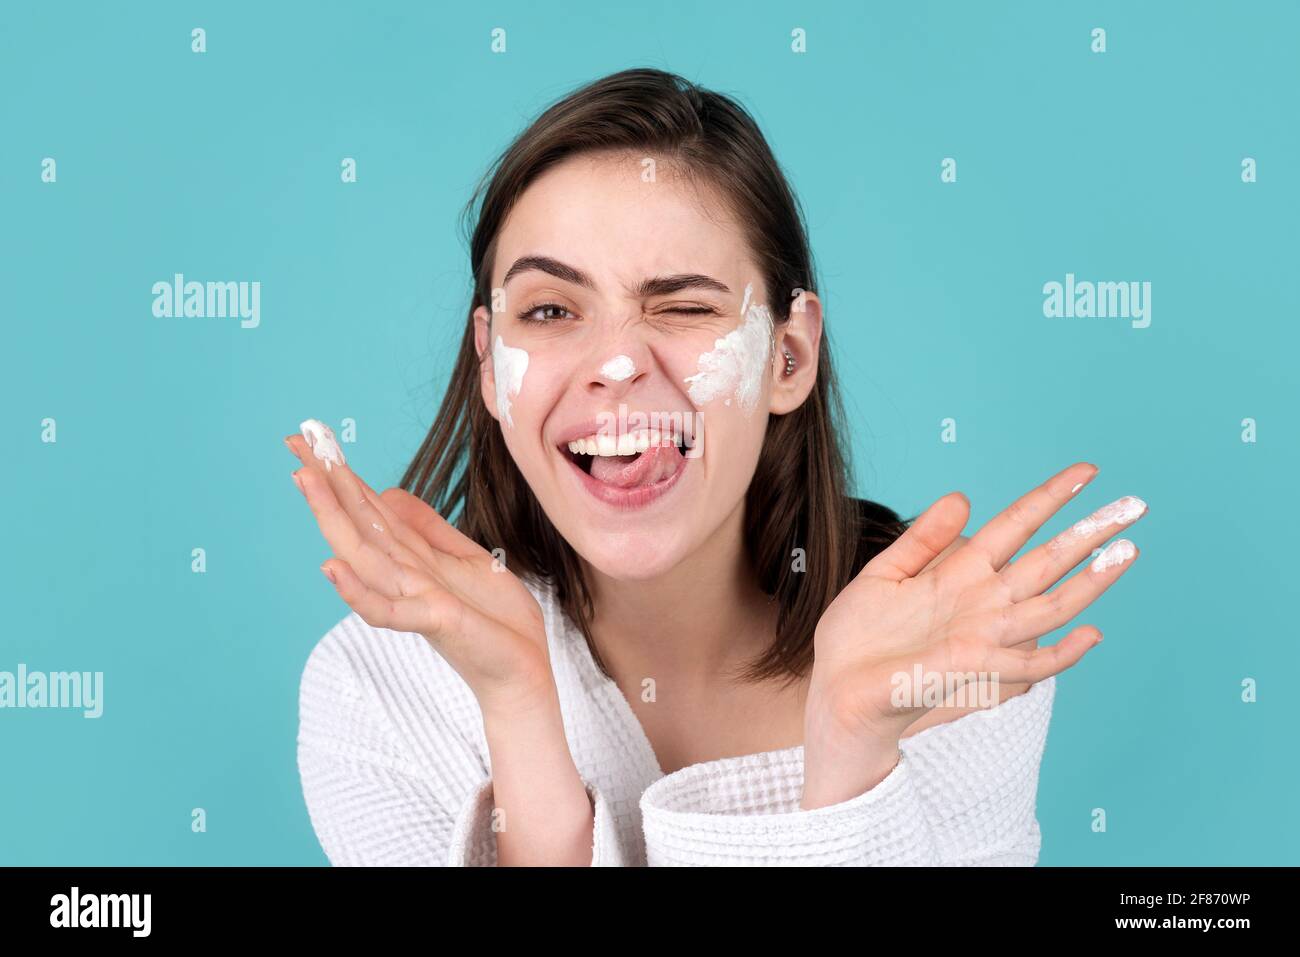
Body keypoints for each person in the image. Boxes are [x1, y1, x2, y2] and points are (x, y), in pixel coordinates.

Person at [285, 68, 1145, 866]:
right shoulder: (382, 689)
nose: (616, 364)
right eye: (550, 309)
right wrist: (518, 710)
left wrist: (849, 753)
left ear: (789, 356)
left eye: (684, 305)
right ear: (487, 361)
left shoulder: (942, 658)